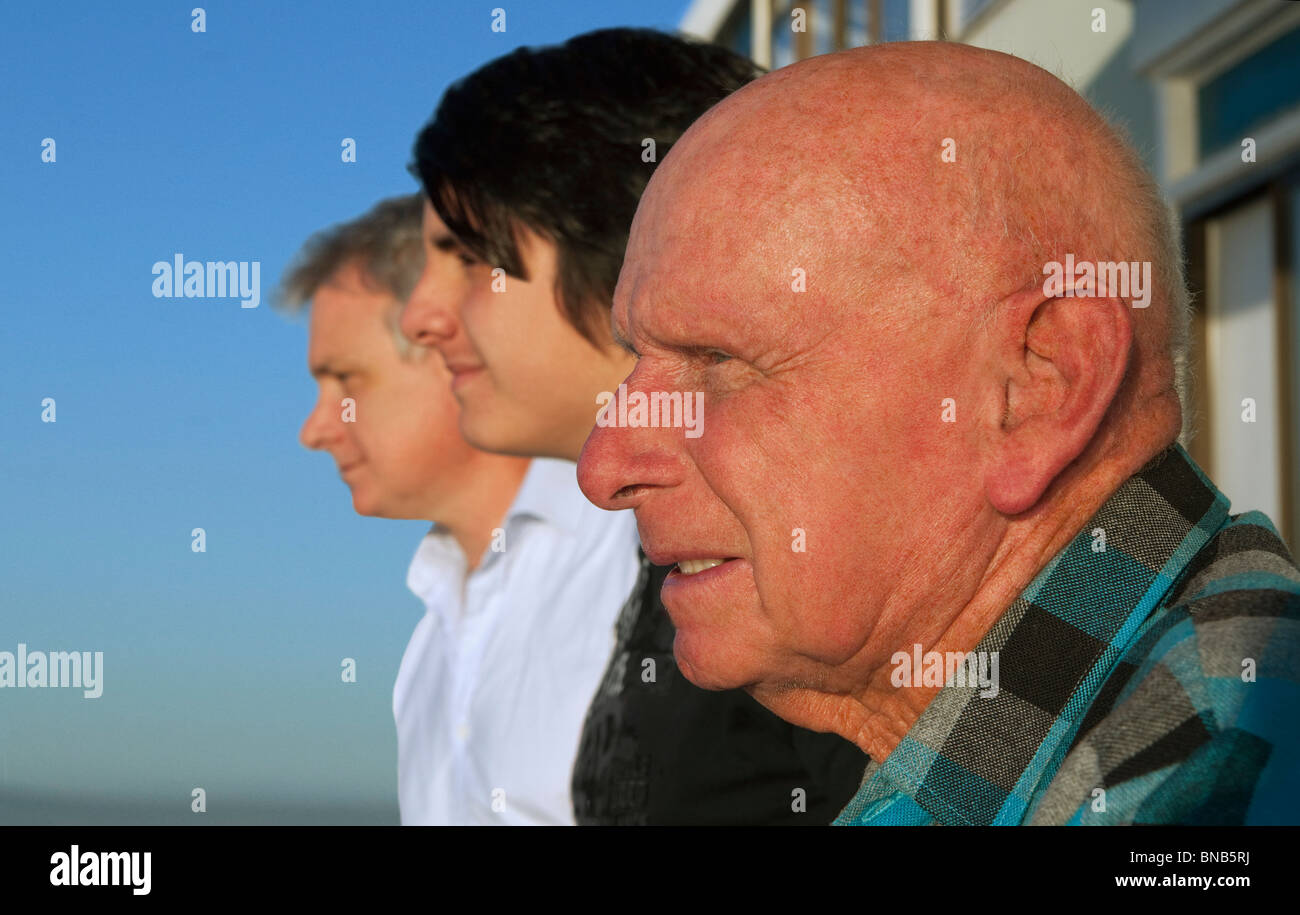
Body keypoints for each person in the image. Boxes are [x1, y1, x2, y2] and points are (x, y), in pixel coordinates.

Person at [576, 41, 1300, 825]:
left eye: (719, 358)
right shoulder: (1001, 767)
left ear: (1038, 385)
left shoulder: (1211, 791)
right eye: (636, 359)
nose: (604, 465)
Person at [402, 28, 868, 824]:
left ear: (631, 230)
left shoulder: (810, 540)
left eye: (474, 256)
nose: (420, 316)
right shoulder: (684, 541)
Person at [279, 195, 635, 824]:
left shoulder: (637, 549)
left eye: (346, 381)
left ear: (450, 351)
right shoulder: (431, 641)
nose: (315, 428)